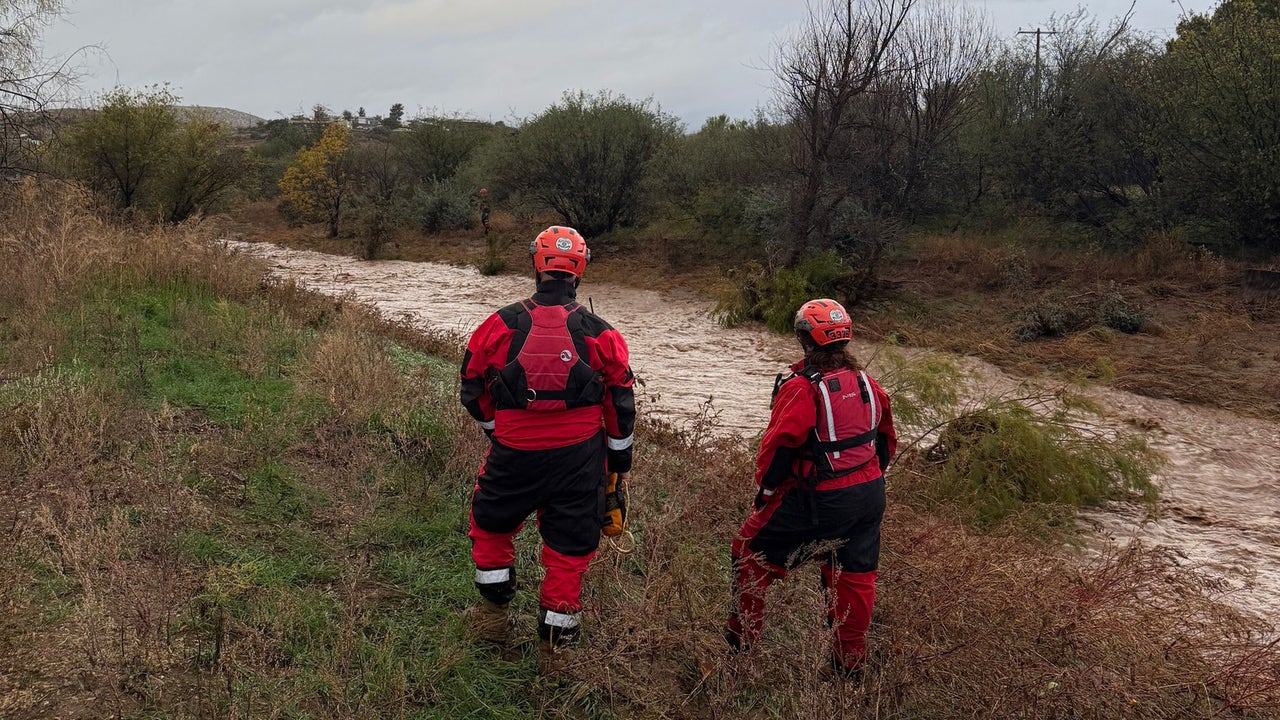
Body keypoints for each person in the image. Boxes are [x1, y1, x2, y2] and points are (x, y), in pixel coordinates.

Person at [459, 225, 636, 666]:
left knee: (491, 526)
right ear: (580, 271)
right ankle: (555, 656)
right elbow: (620, 402)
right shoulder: (601, 333)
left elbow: (471, 387)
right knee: (569, 550)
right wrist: (618, 463)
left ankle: (492, 621)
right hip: (580, 460)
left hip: (513, 453)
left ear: (536, 266)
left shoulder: (498, 325)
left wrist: (497, 430)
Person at [724, 298, 896, 677]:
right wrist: (868, 481)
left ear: (804, 339)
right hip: (870, 497)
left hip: (819, 498)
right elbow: (886, 442)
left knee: (748, 553)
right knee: (855, 576)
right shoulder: (869, 384)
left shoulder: (802, 388)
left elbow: (779, 449)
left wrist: (766, 493)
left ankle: (741, 646)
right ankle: (849, 665)